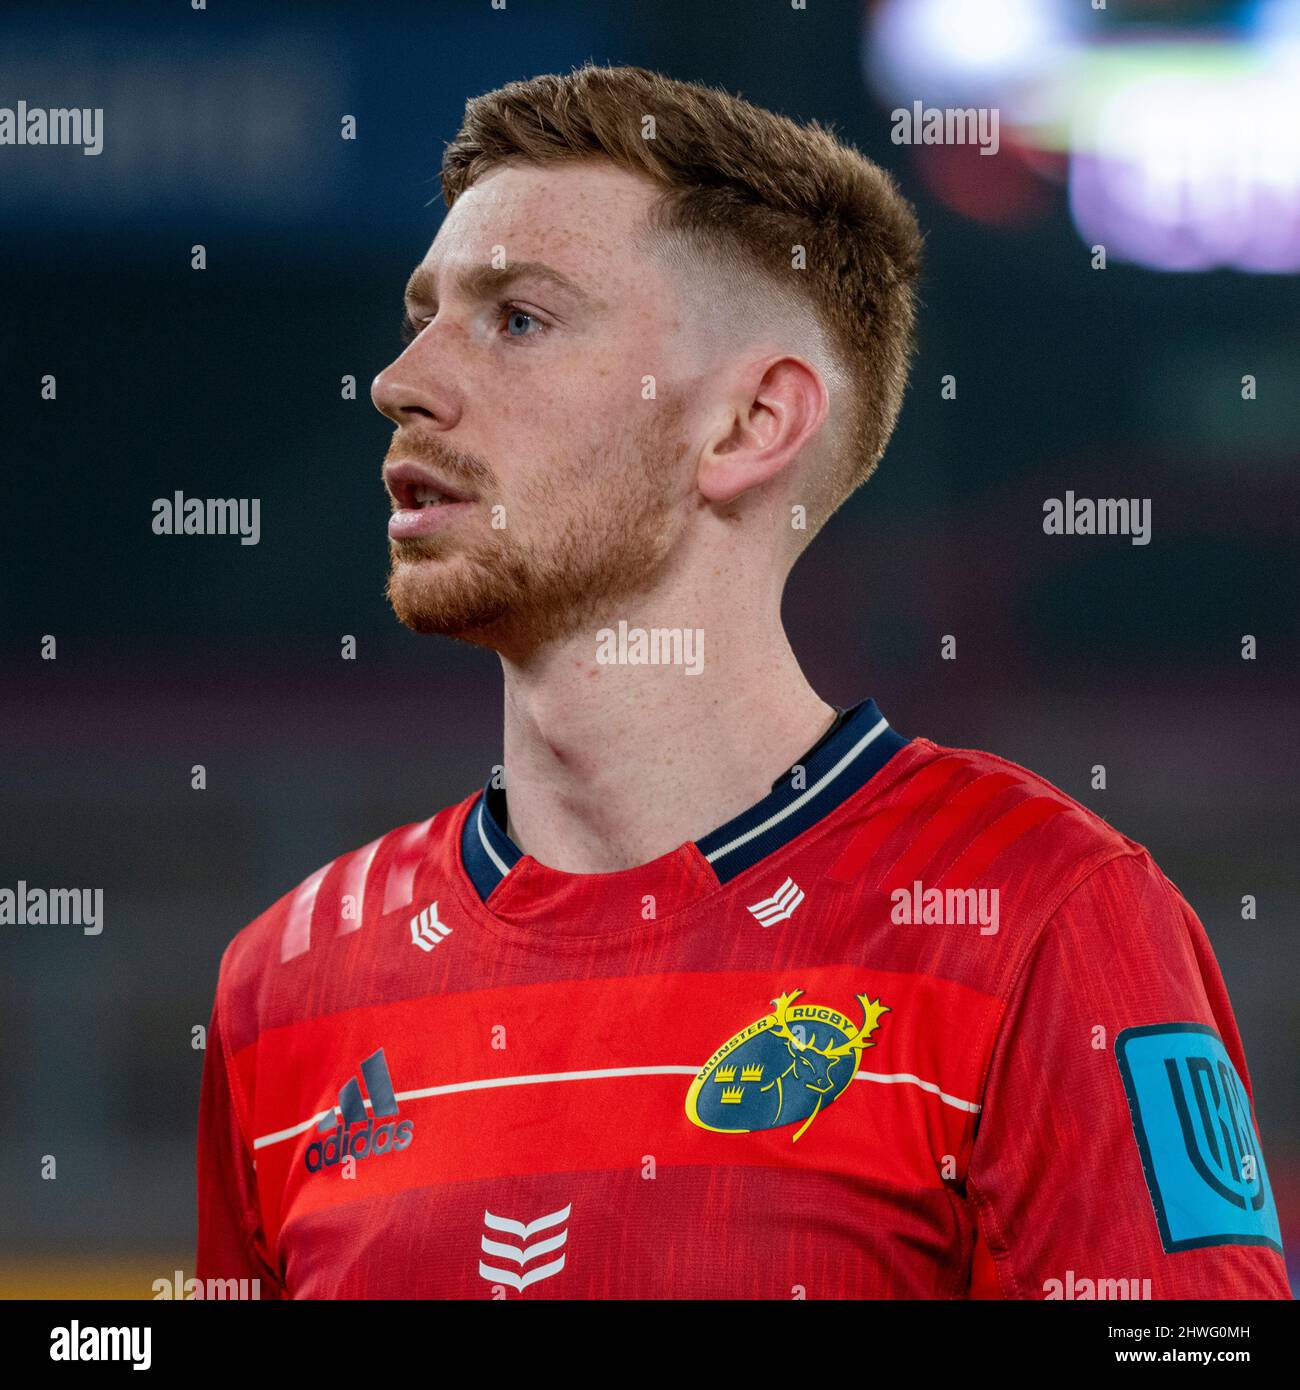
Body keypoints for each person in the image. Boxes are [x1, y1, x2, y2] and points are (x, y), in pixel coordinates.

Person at [197, 64, 1287, 1299]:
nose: (401, 382)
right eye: (422, 315)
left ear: (748, 426)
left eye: (517, 319)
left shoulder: (1044, 920)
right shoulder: (284, 979)